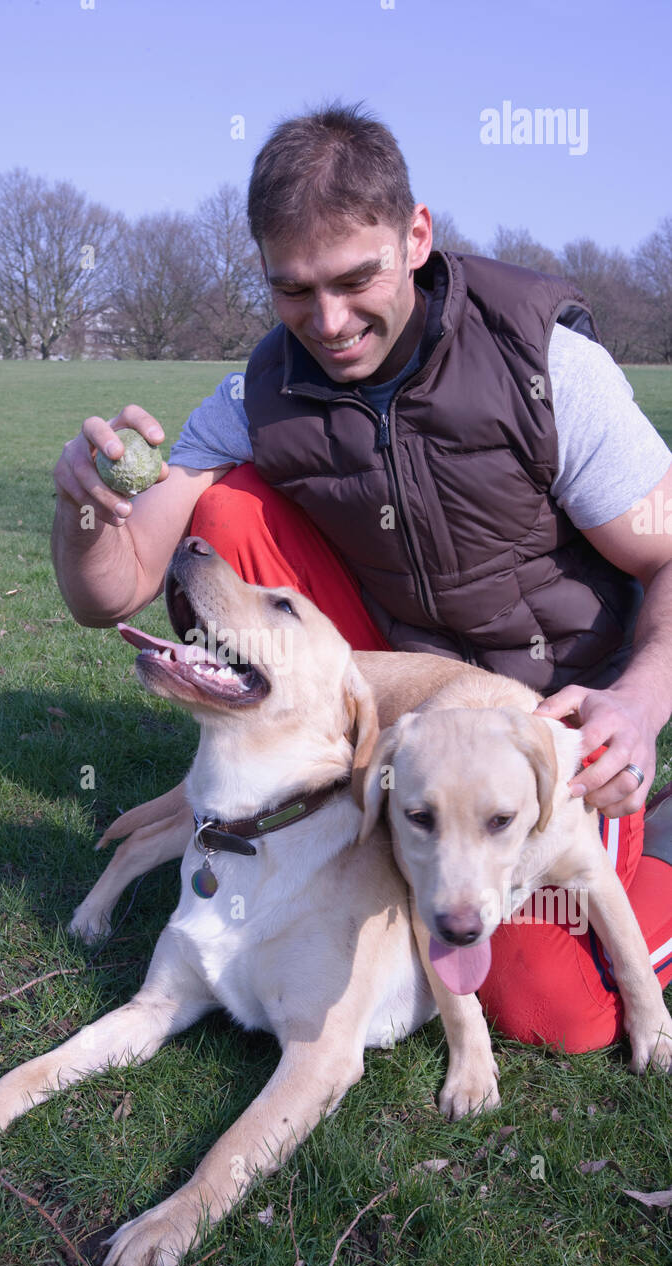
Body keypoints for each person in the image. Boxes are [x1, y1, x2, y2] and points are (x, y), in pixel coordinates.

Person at [51, 102, 672, 1055]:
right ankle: (280, 791)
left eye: (356, 279)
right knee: (226, 515)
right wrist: (86, 509)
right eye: (294, 290)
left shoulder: (547, 368)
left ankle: (658, 838)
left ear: (417, 235)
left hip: (552, 714)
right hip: (399, 702)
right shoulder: (260, 391)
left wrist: (637, 701)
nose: (329, 323)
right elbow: (115, 588)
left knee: (560, 1015)